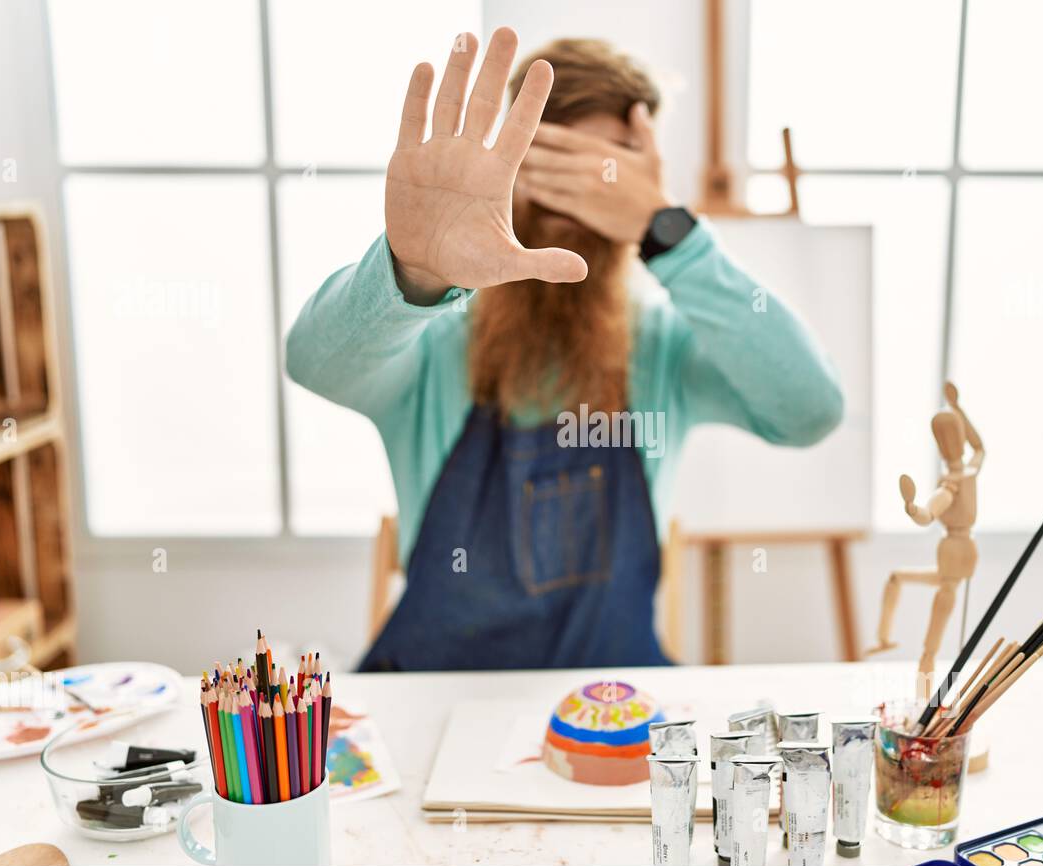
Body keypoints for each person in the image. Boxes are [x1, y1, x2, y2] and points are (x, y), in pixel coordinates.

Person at [286, 28, 843, 671]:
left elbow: (811, 409)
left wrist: (671, 232)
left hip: (612, 713)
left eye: (604, 172)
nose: (572, 197)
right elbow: (313, 361)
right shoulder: (430, 337)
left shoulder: (664, 350)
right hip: (436, 704)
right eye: (547, 160)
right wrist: (412, 271)